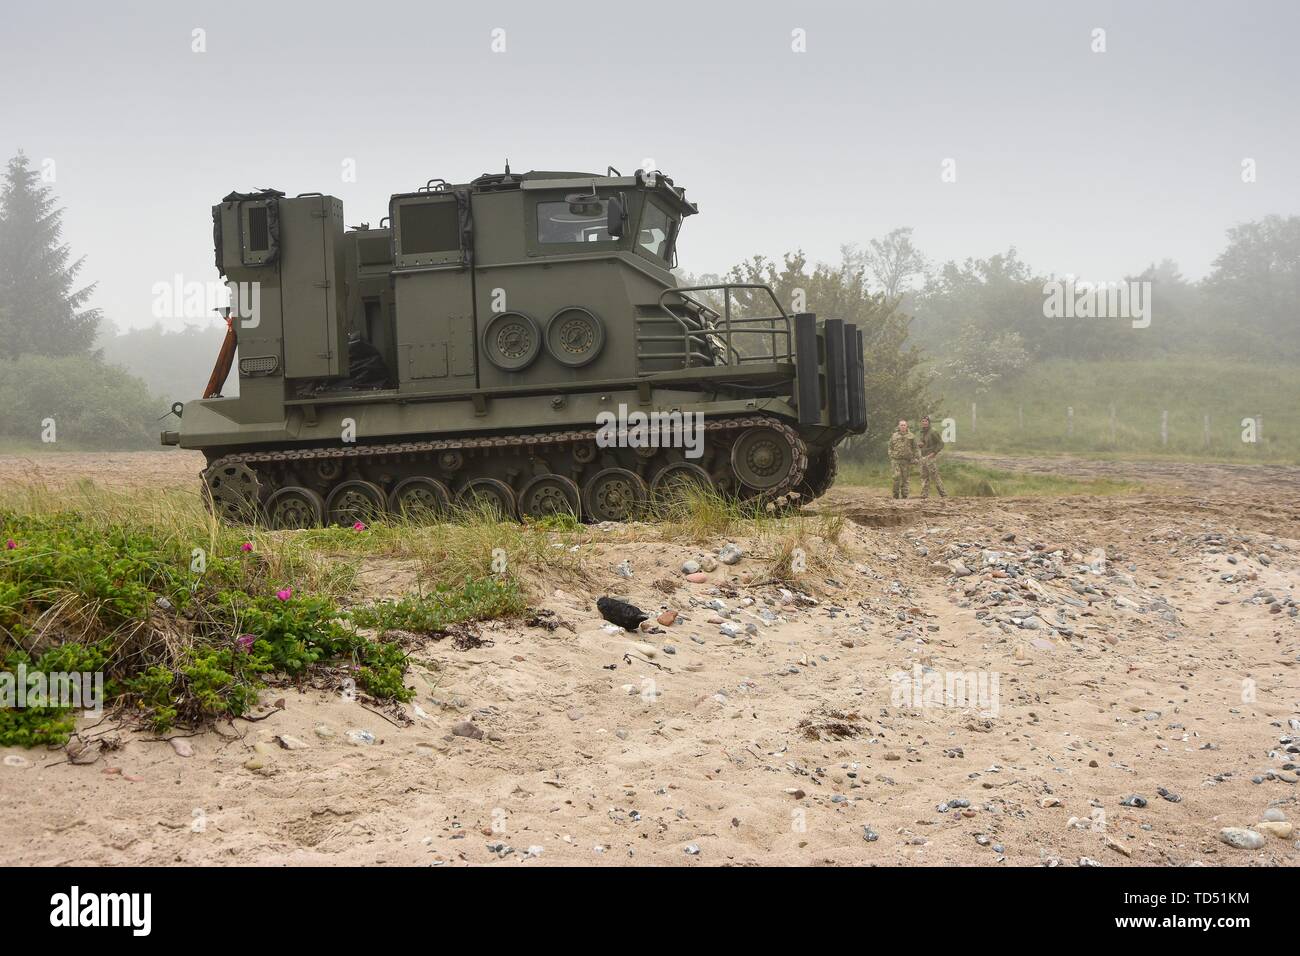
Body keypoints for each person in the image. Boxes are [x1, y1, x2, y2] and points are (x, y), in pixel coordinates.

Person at [887, 419, 919, 499]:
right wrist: (891, 454)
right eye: (901, 425)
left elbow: (915, 448)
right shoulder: (894, 435)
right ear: (899, 426)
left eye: (904, 425)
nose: (903, 426)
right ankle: (895, 495)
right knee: (896, 477)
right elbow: (890, 446)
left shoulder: (911, 436)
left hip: (906, 461)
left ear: (906, 426)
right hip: (896, 460)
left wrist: (916, 458)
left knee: (905, 478)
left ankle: (905, 496)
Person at [917, 415, 947, 498]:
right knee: (924, 476)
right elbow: (923, 442)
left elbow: (941, 443)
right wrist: (920, 444)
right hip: (923, 456)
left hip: (930, 457)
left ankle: (943, 494)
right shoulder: (922, 432)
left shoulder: (933, 431)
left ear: (929, 422)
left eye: (926, 421)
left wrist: (934, 453)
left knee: (935, 476)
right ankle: (924, 495)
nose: (924, 423)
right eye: (923, 421)